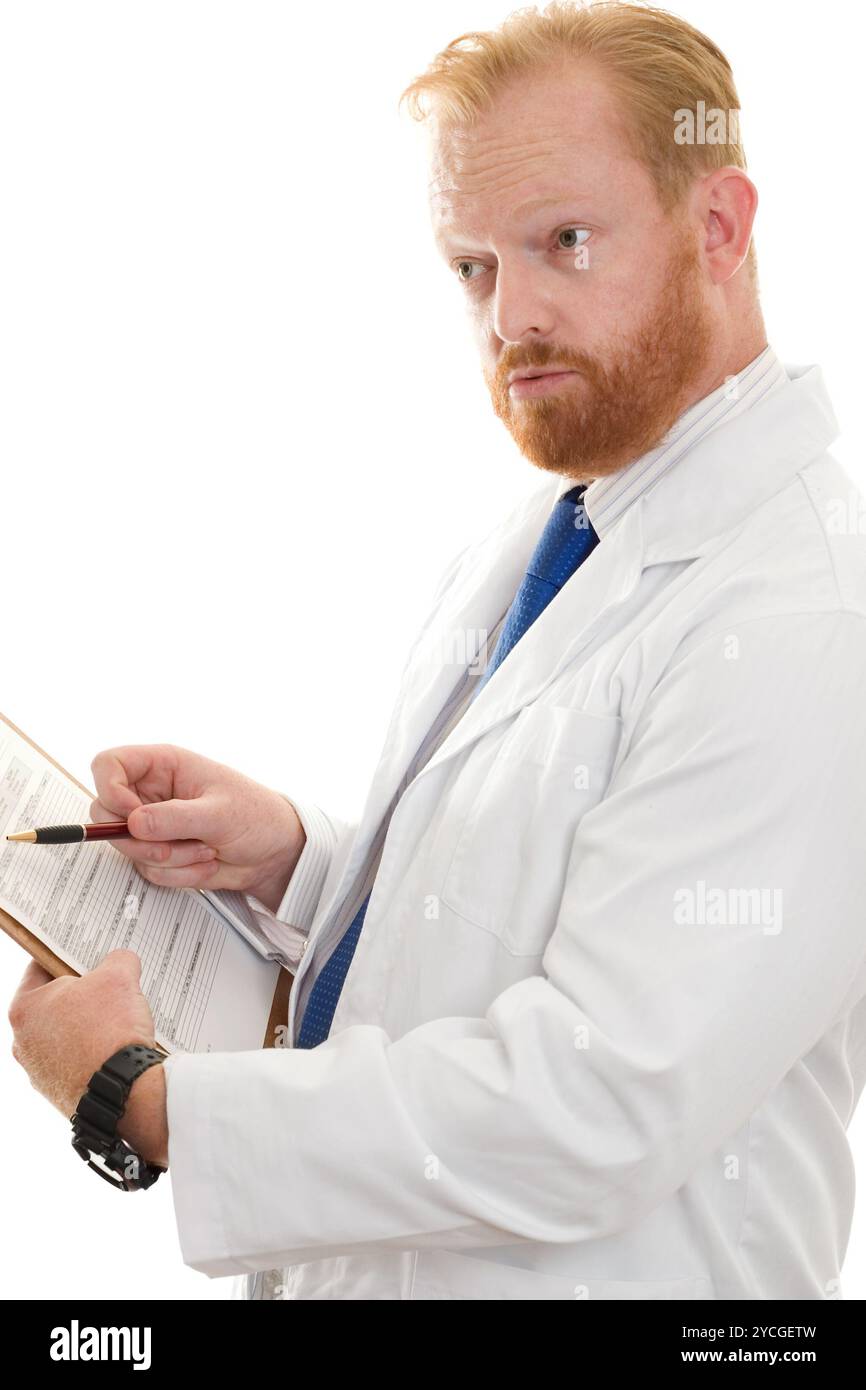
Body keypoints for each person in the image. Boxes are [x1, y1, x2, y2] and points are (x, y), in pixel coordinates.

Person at [9, 0, 866, 1300]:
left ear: (718, 227)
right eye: (472, 266)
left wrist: (146, 1099)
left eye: (561, 242)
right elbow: (540, 902)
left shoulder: (804, 613)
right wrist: (295, 861)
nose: (509, 314)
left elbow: (599, 1097)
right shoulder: (558, 527)